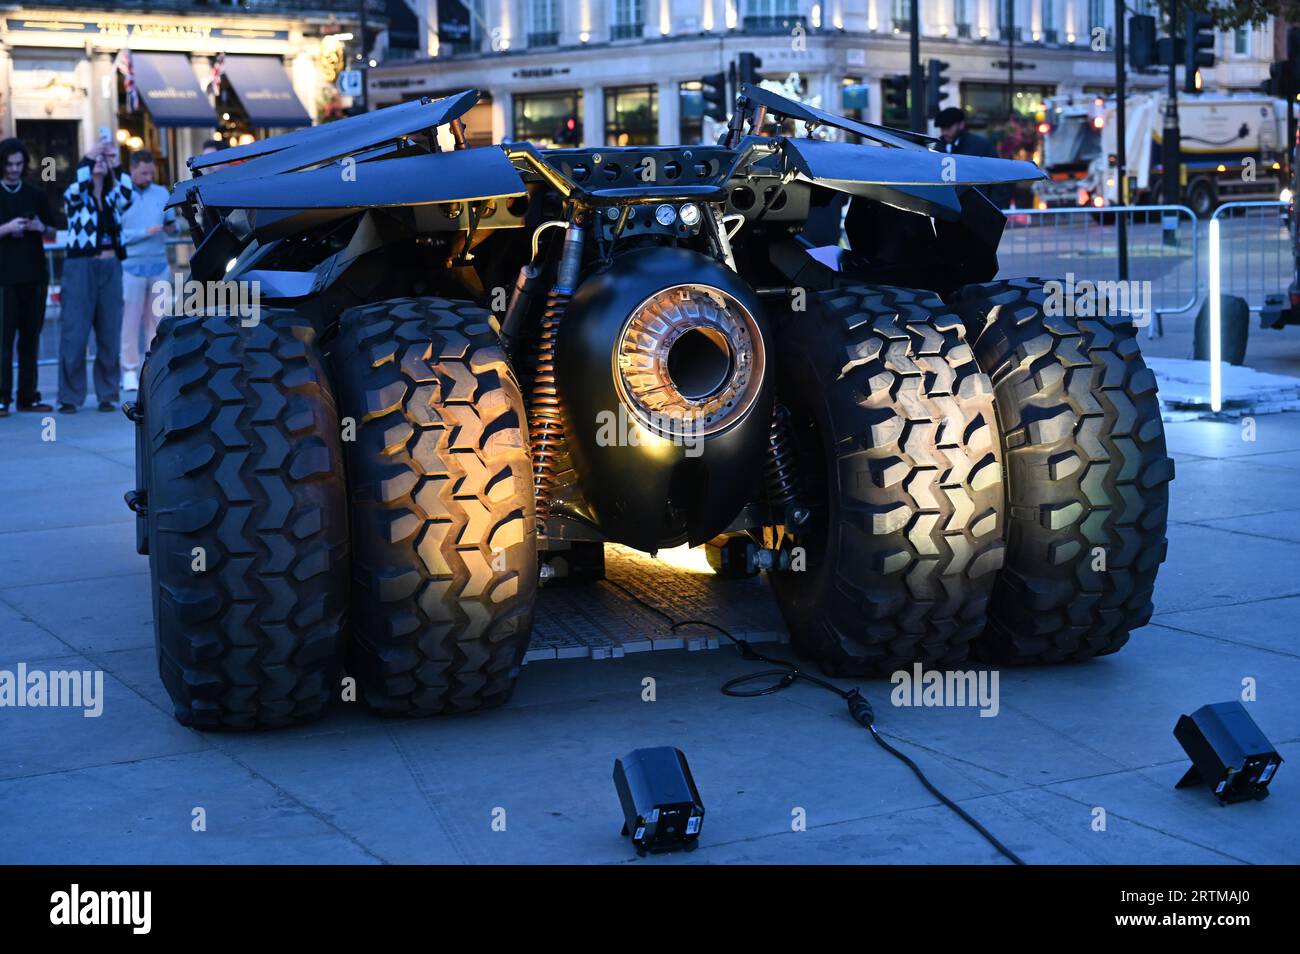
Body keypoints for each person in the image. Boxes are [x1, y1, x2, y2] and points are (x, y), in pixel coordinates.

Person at [58, 139, 133, 414]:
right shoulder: (76, 196)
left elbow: (129, 193)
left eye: (103, 161)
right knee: (75, 333)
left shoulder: (112, 199)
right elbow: (75, 188)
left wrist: (116, 161)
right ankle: (69, 396)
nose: (100, 162)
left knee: (109, 332)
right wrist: (88, 158)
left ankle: (107, 394)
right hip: (81, 266)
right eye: (95, 161)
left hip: (111, 266)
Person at [0, 138, 57, 417]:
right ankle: (2, 398)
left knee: (30, 339)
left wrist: (39, 226)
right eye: (9, 164)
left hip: (34, 275)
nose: (13, 169)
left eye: (19, 164)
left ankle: (27, 395)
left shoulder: (36, 194)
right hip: (4, 279)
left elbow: (54, 231)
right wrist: (6, 228)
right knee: (3, 340)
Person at [118, 150, 175, 393]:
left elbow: (172, 225)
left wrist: (171, 227)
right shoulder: (119, 195)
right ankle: (129, 370)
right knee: (130, 321)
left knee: (160, 319)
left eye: (151, 172)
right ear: (131, 170)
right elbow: (116, 234)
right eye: (143, 172)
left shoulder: (162, 193)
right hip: (131, 265)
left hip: (159, 263)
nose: (148, 177)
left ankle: (156, 366)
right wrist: (144, 233)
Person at [934, 106, 1010, 208]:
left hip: (976, 212)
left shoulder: (981, 146)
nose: (944, 133)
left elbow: (999, 180)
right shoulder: (939, 147)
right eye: (942, 129)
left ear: (961, 125)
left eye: (948, 128)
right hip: (947, 213)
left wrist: (991, 209)